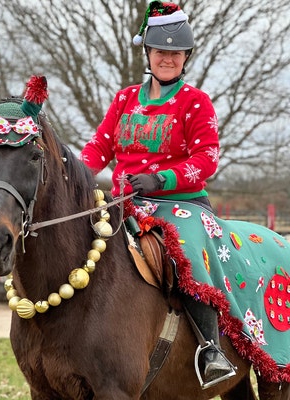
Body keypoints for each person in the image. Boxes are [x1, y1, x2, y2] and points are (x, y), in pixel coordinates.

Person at [79, 0, 236, 389]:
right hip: (122, 202)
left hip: (180, 204)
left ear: (186, 57)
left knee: (185, 248)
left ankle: (210, 349)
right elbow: (99, 147)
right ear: (148, 53)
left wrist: (160, 180)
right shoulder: (124, 99)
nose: (168, 59)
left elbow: (207, 159)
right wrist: (75, 174)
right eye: (161, 51)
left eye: (175, 53)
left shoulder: (195, 102)